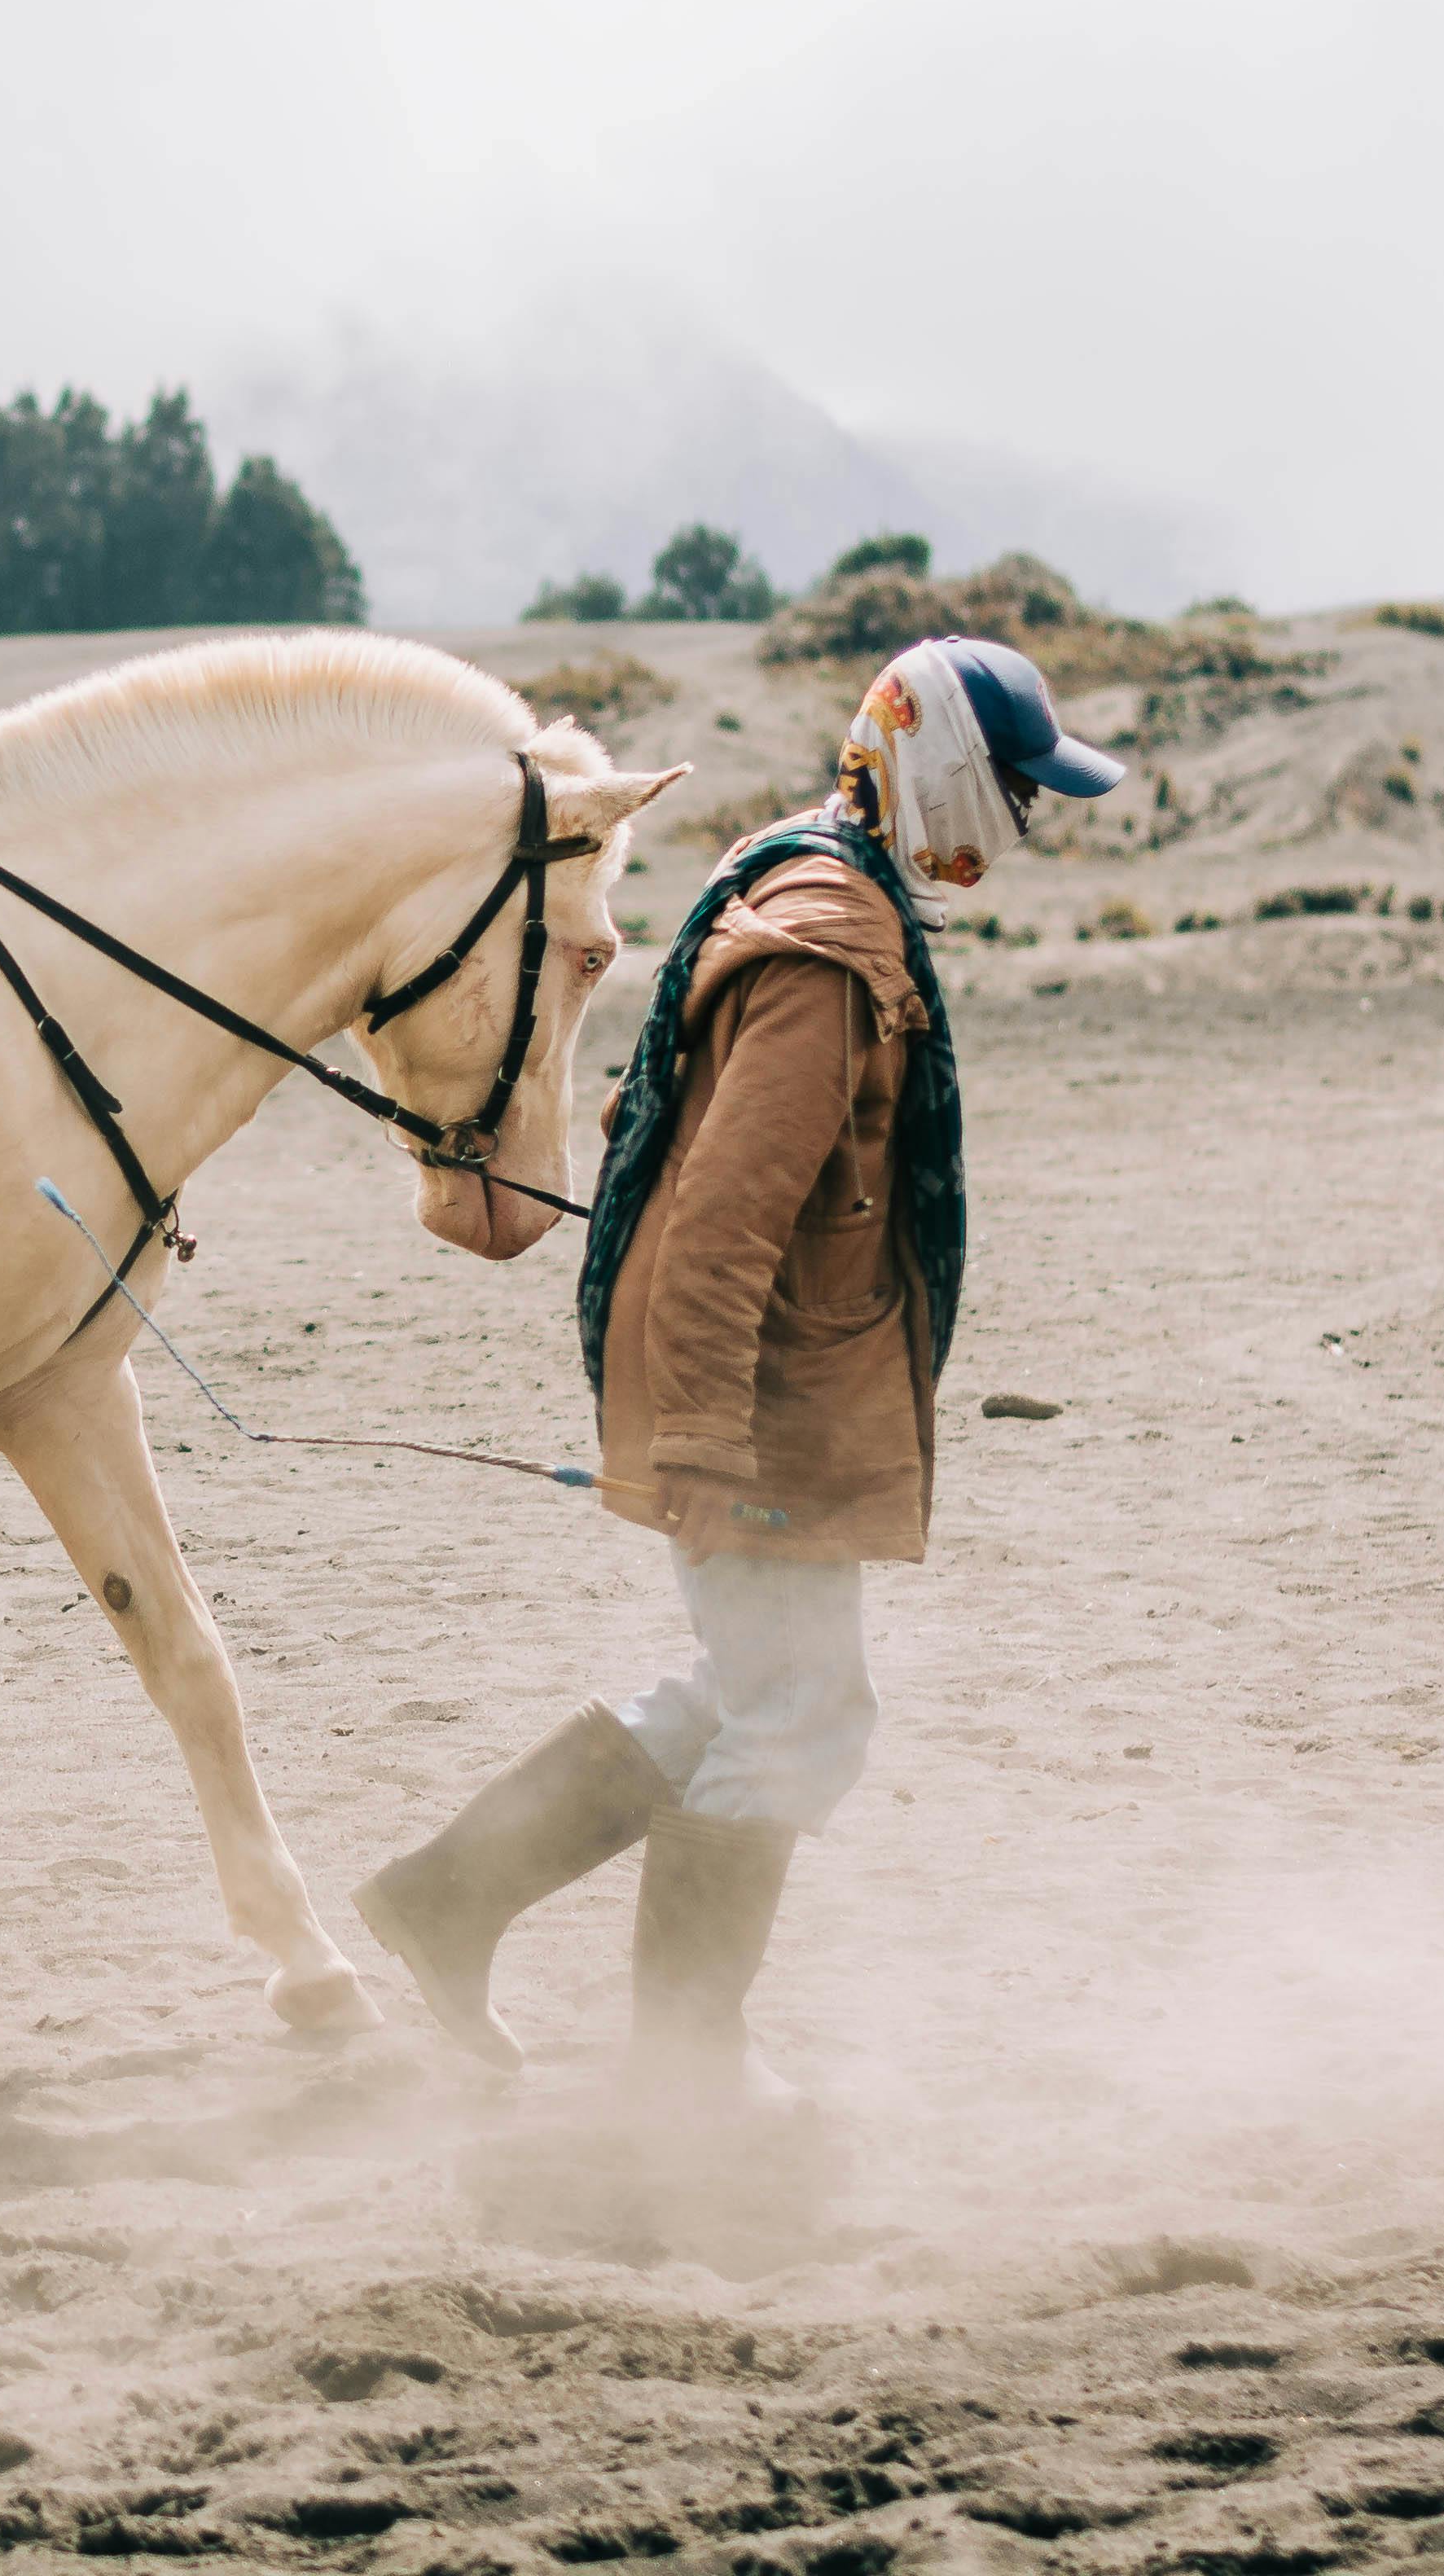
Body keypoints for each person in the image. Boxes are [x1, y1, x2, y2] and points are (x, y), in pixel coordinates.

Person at [350, 634, 1122, 2113]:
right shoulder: (831, 946)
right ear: (946, 773)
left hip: (766, 1386)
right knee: (801, 1712)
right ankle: (687, 2071)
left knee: (750, 1689)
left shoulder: (809, 881)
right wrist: (703, 1436)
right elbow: (723, 1212)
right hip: (758, 1402)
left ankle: (448, 1901)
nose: (1026, 820)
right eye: (1016, 789)